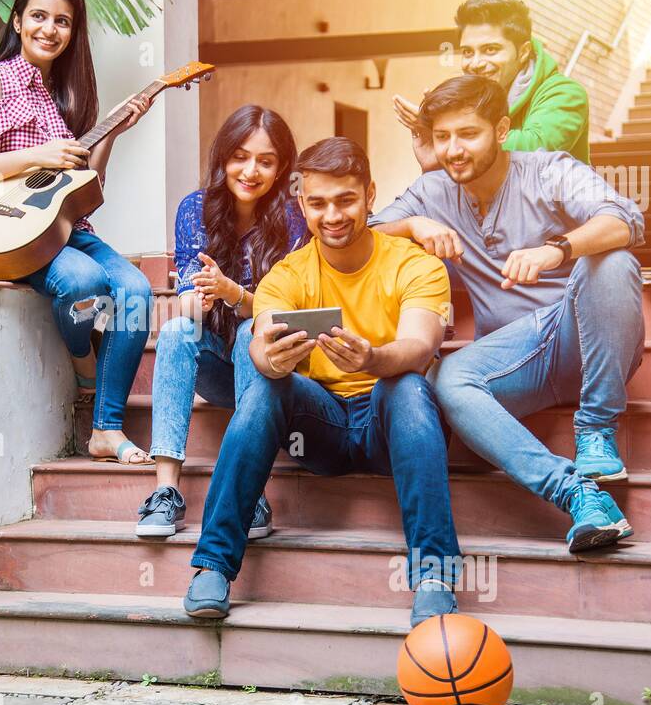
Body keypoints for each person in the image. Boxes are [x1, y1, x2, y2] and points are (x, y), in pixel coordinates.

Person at [182, 137, 464, 627]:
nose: (332, 215)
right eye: (318, 203)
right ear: (303, 206)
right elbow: (260, 346)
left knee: (409, 385)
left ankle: (435, 576)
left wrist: (373, 358)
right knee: (266, 389)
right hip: (322, 428)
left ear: (370, 195)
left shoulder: (414, 264)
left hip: (387, 420)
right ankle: (213, 566)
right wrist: (269, 360)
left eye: (346, 200)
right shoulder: (287, 275)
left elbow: (419, 346)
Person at [370, 74, 645, 553]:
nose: (454, 149)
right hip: (515, 359)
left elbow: (625, 218)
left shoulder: (548, 170)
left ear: (500, 130)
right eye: (442, 138)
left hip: (583, 336)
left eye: (468, 134)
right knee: (446, 379)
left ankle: (597, 430)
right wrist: (413, 222)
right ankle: (579, 495)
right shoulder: (432, 191)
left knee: (613, 262)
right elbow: (359, 234)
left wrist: (557, 250)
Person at [0, 0, 156, 465]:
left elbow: (86, 192)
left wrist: (110, 136)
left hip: (64, 227)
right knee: (82, 283)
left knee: (139, 293)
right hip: (10, 231)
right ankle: (85, 360)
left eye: (62, 21)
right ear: (17, 21)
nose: (49, 29)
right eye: (38, 16)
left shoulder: (58, 96)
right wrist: (36, 155)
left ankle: (105, 429)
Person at [135, 105, 308, 539]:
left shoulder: (293, 218)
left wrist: (234, 293)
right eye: (240, 157)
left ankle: (250, 491)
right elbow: (190, 304)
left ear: (282, 167)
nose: (251, 171)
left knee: (255, 328)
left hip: (273, 365)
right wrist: (198, 297)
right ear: (223, 158)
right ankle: (165, 492)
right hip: (217, 365)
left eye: (266, 161)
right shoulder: (196, 209)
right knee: (177, 329)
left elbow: (286, 314)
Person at [395, 0, 591, 170]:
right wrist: (434, 163)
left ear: (522, 52)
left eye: (490, 50)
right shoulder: (470, 98)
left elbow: (533, 148)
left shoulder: (566, 93)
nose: (475, 63)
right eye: (468, 52)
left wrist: (449, 128)